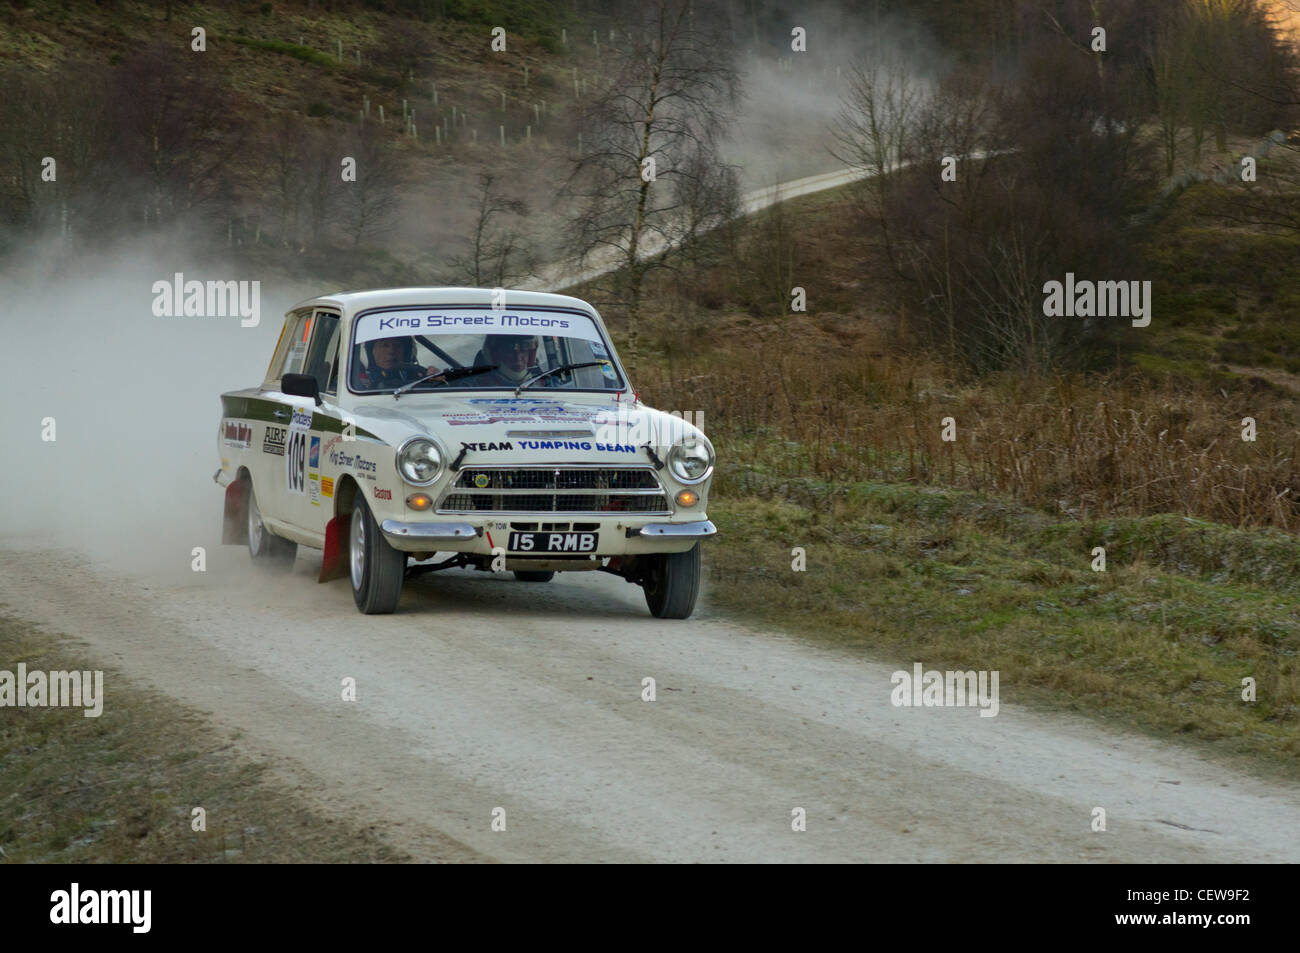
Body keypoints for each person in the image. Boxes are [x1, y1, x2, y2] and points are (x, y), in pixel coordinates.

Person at [357, 335, 442, 390]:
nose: (391, 351)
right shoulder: (357, 381)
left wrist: (434, 377)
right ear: (371, 352)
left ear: (407, 353)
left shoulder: (414, 374)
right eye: (384, 345)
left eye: (397, 346)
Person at [473, 334, 546, 388]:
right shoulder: (473, 385)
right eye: (510, 352)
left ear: (530, 355)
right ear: (496, 356)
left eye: (523, 351)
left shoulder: (548, 382)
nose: (518, 358)